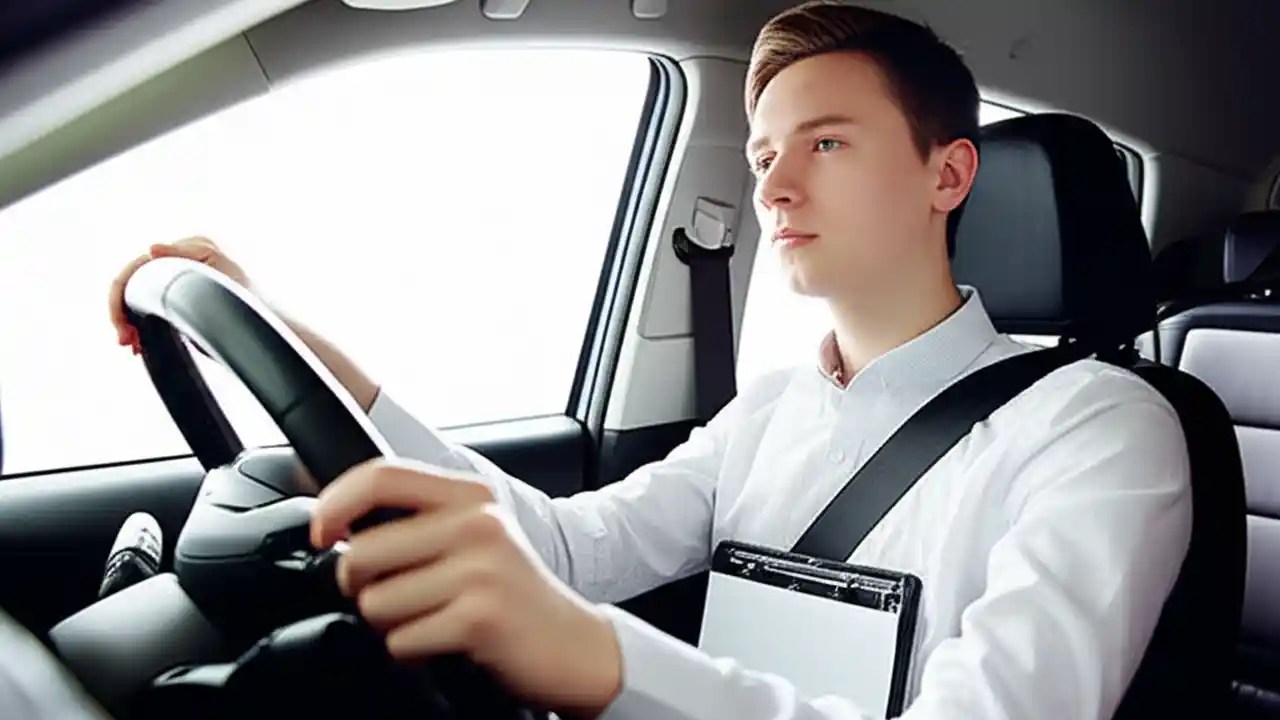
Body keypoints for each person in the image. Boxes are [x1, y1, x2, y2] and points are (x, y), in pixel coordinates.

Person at [109, 2, 1192, 718]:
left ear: (945, 173)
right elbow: (570, 552)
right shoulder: (768, 410)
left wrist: (606, 663)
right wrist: (303, 345)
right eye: (765, 154)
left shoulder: (1095, 424)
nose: (772, 188)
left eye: (825, 143)